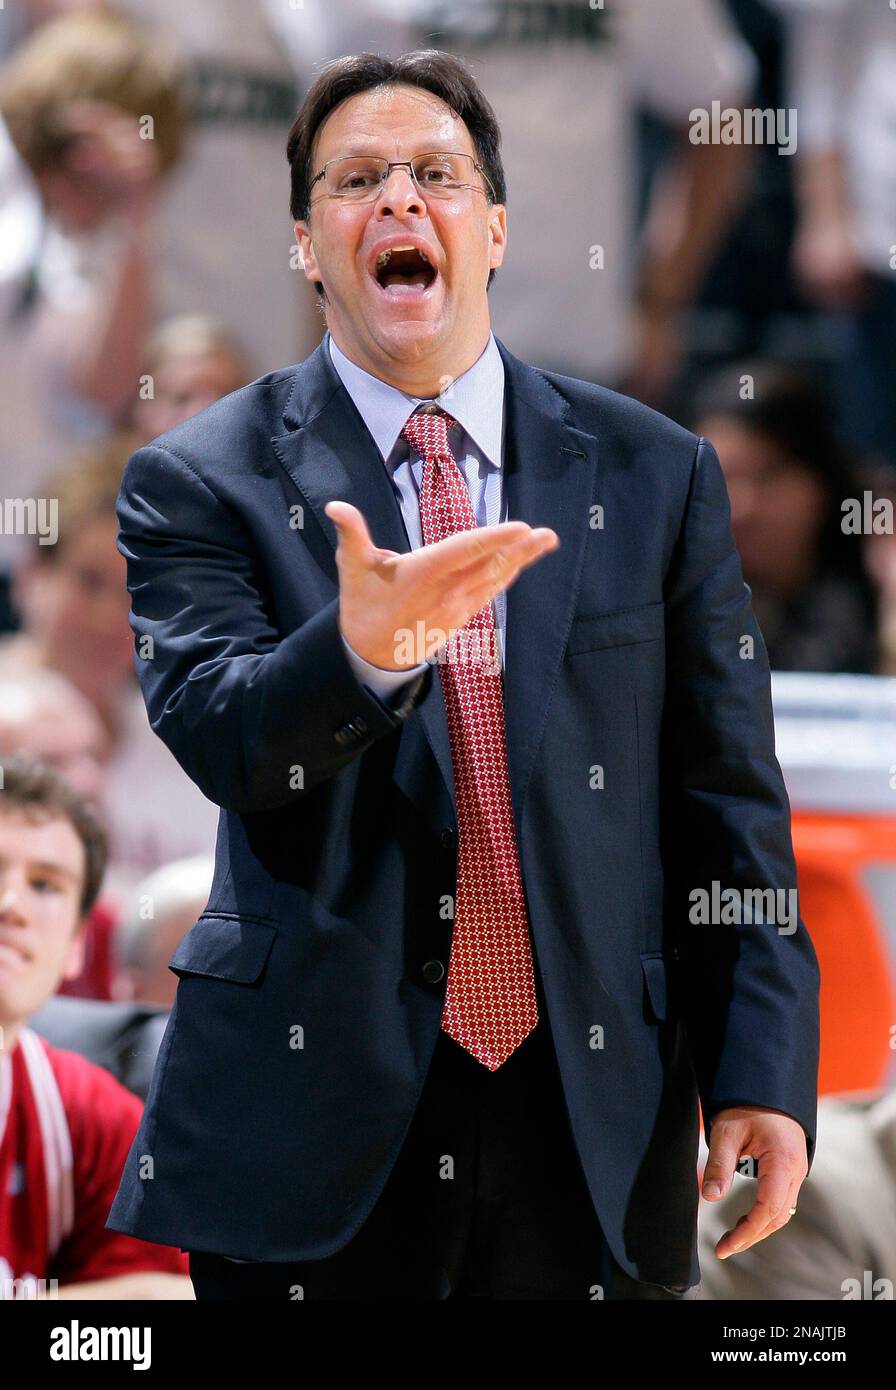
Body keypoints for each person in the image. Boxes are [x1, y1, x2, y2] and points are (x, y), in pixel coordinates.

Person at [106, 50, 820, 1301]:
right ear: (302, 244)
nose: (398, 202)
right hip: (314, 1119)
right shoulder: (196, 479)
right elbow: (224, 738)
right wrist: (364, 654)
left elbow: (727, 804)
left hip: (589, 1104)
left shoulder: (654, 472)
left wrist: (759, 1065)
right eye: (356, 179)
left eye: (435, 174)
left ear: (491, 227)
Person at [0, 754, 192, 1299]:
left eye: (45, 885)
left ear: (76, 948)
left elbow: (165, 1298)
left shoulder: (83, 1111)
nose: (12, 904)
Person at [691, 361, 880, 674]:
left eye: (769, 476)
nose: (744, 507)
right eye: (722, 480)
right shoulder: (668, 604)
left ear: (820, 483)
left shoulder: (874, 587)